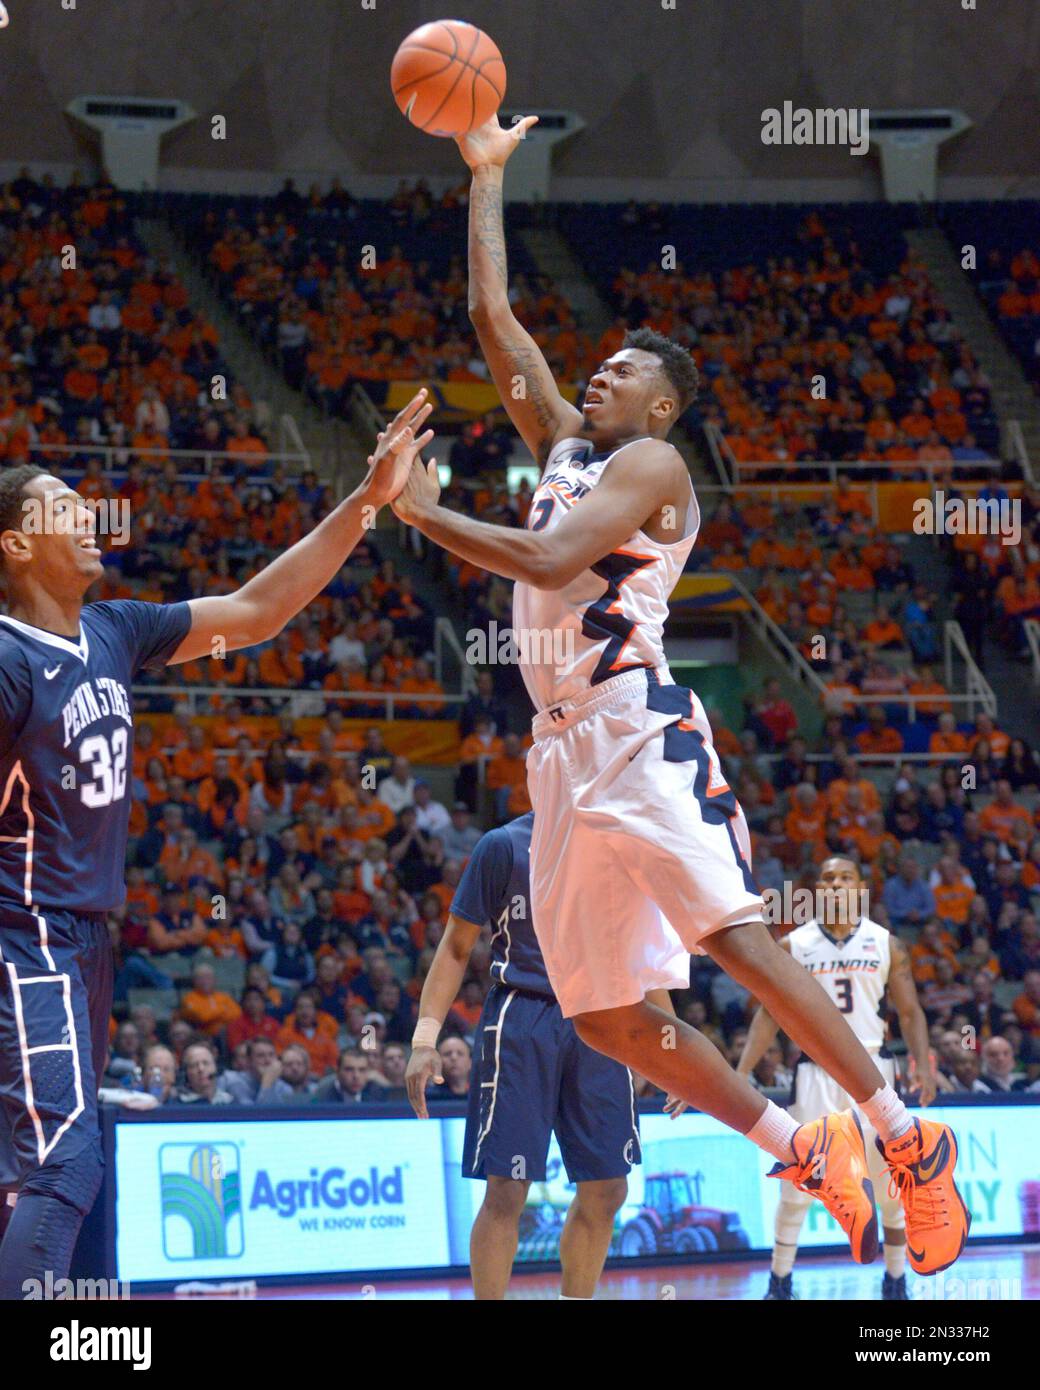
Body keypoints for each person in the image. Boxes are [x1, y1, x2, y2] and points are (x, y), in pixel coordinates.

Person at [386, 114, 968, 1276]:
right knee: (605, 1016)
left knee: (740, 942)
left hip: (632, 728)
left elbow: (551, 565)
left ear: (661, 408)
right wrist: (487, 179)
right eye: (598, 362)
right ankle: (798, 1144)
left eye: (625, 369)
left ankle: (908, 1142)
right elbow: (490, 323)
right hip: (555, 762)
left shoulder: (650, 468)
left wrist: (415, 509)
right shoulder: (557, 441)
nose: (598, 370)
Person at [0, 394, 432, 1296]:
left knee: (30, 1168)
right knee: (65, 1161)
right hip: (25, 932)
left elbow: (257, 610)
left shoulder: (112, 629)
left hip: (85, 942)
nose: (86, 515)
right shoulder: (6, 661)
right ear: (13, 544)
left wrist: (367, 499)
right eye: (60, 507)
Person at [406, 812, 676, 1299]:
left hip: (603, 1016)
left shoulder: (621, 842)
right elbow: (454, 948)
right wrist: (425, 1038)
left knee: (609, 1186)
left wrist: (673, 1056)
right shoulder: (503, 844)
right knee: (508, 1188)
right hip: (522, 1017)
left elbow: (645, 961)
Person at [737, 857, 938, 1301]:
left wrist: (923, 1064)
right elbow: (770, 1013)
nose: (835, 883)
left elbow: (909, 1012)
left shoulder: (887, 944)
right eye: (827, 878)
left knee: (889, 1184)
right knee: (800, 1184)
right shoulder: (795, 944)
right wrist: (744, 1069)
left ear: (860, 887)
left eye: (845, 877)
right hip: (815, 1074)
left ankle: (895, 1281)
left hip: (874, 1073)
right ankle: (780, 1282)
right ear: (817, 888)